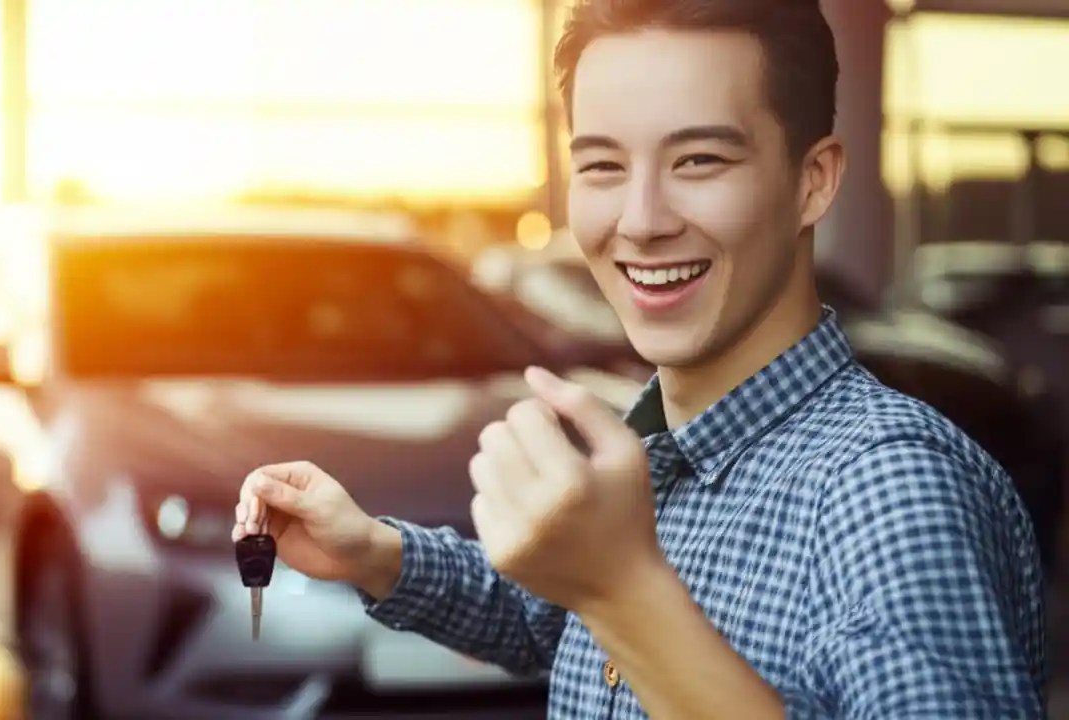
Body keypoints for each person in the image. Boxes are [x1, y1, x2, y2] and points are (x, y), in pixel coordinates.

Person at [232, 1, 1047, 717]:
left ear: (814, 181)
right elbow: (550, 619)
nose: (642, 219)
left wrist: (625, 591)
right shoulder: (656, 444)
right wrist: (372, 553)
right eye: (603, 166)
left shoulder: (893, 488)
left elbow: (608, 602)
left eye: (699, 160)